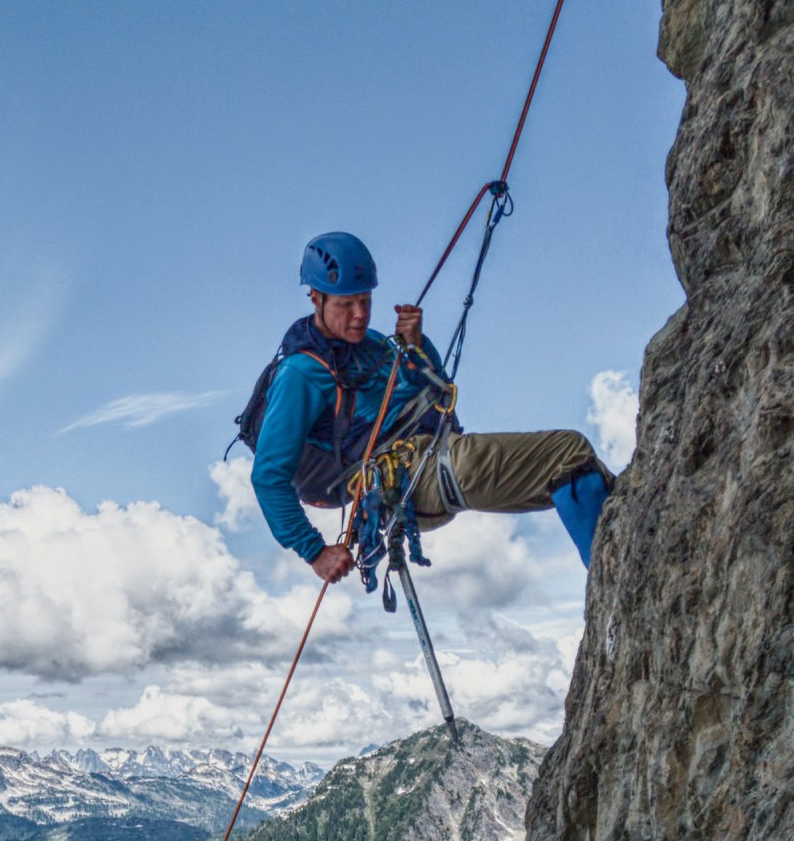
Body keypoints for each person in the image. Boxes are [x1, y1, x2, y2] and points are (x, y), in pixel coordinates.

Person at [250, 231, 610, 584]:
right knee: (567, 453)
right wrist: (314, 552)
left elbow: (432, 389)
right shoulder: (301, 374)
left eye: (365, 300)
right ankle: (612, 585)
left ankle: (620, 554)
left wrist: (418, 345)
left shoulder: (372, 345)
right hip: (405, 479)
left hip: (432, 457)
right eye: (346, 304)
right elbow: (268, 477)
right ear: (316, 298)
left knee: (578, 476)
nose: (360, 314)